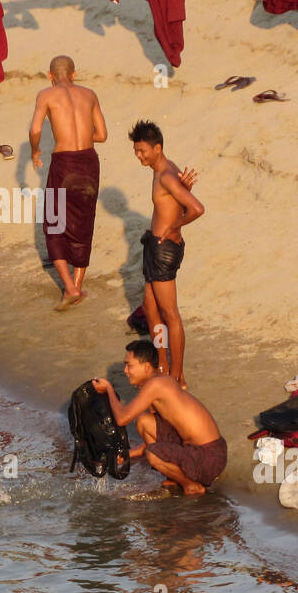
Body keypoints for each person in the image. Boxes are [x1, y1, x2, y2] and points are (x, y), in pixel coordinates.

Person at [91, 340, 226, 495]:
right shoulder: (159, 383)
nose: (125, 370)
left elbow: (122, 418)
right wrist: (128, 454)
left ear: (147, 367)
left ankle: (191, 486)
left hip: (210, 458)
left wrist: (108, 389)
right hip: (199, 450)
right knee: (143, 421)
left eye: (129, 365)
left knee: (152, 453)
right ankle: (175, 476)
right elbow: (160, 439)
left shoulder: (157, 384)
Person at [129, 119, 204, 389]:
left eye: (142, 151)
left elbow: (196, 209)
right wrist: (186, 191)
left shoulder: (167, 175)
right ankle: (161, 360)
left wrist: (174, 226)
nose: (139, 155)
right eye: (136, 151)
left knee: (170, 314)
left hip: (163, 251)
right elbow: (178, 203)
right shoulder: (162, 169)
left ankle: (177, 375)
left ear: (157, 148)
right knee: (150, 308)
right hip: (155, 246)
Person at [29, 55, 107, 310]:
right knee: (84, 221)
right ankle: (77, 283)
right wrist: (84, 136)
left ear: (50, 76)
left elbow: (35, 130)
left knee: (54, 222)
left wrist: (35, 151)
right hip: (89, 162)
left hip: (64, 165)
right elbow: (103, 135)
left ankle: (70, 288)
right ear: (74, 74)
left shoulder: (46, 95)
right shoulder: (90, 94)